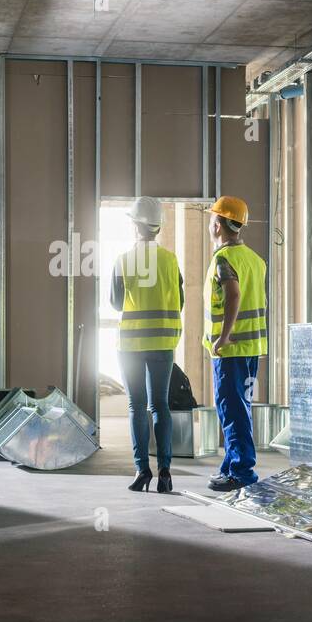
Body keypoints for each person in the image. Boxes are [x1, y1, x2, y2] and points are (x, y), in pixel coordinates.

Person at [111, 196, 184, 493]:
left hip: (130, 344)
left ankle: (142, 470)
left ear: (135, 224)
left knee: (136, 406)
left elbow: (116, 303)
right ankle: (165, 472)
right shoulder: (170, 260)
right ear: (157, 227)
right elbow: (180, 300)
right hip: (163, 342)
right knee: (160, 405)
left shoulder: (123, 260)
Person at [202, 196, 268, 492]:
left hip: (232, 350)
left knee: (231, 409)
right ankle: (232, 466)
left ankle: (241, 472)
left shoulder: (222, 259)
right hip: (252, 348)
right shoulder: (254, 259)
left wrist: (224, 335)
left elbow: (234, 295)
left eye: (211, 220)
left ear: (218, 225)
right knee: (240, 407)